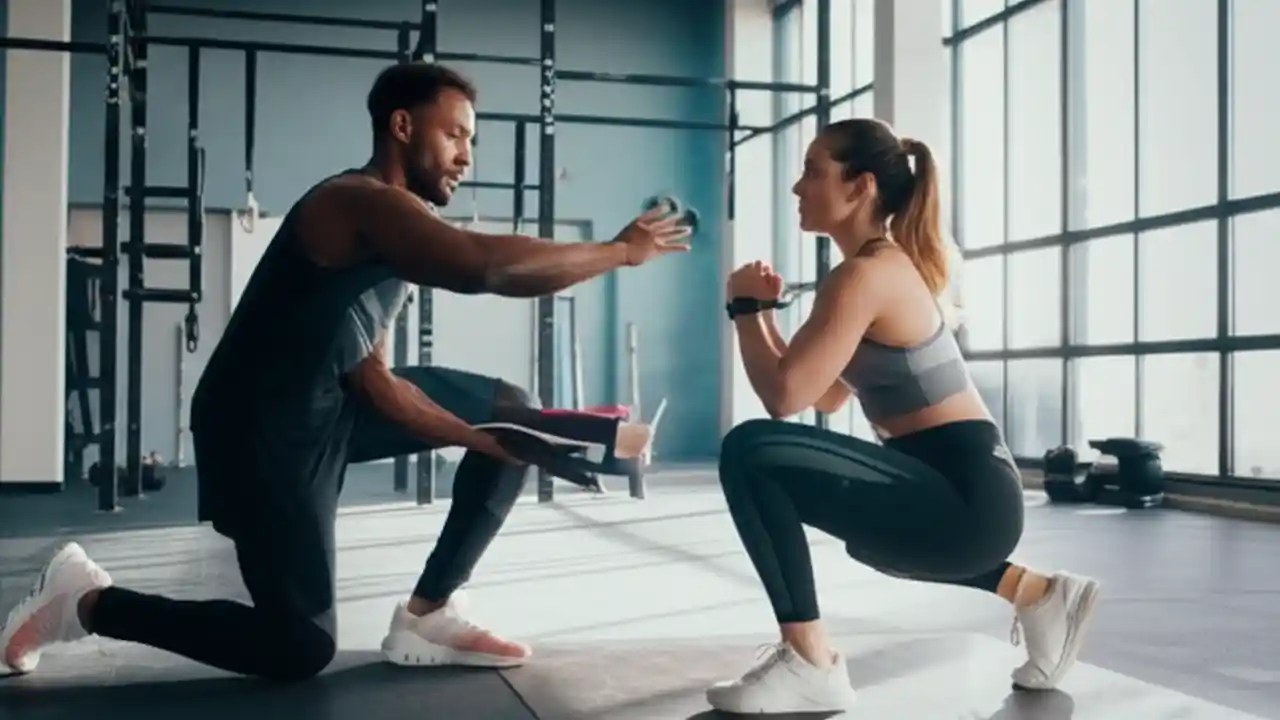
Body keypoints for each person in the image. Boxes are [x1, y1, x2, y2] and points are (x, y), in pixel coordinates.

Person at [0, 62, 689, 681]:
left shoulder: (390, 233)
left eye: (470, 142)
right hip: (262, 436)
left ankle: (428, 613)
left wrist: (481, 436)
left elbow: (374, 379)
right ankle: (86, 600)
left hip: (330, 405)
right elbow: (485, 266)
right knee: (296, 647)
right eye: (456, 136)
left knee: (510, 409)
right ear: (401, 125)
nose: (465, 157)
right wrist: (618, 253)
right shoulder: (353, 203)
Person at [705, 118, 1099, 714]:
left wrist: (744, 307)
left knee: (750, 450)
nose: (797, 187)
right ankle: (1037, 594)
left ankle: (809, 661)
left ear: (860, 186)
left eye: (813, 171)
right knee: (865, 540)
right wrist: (755, 312)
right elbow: (824, 395)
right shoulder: (868, 271)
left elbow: (785, 398)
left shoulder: (866, 275)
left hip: (966, 492)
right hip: (960, 492)